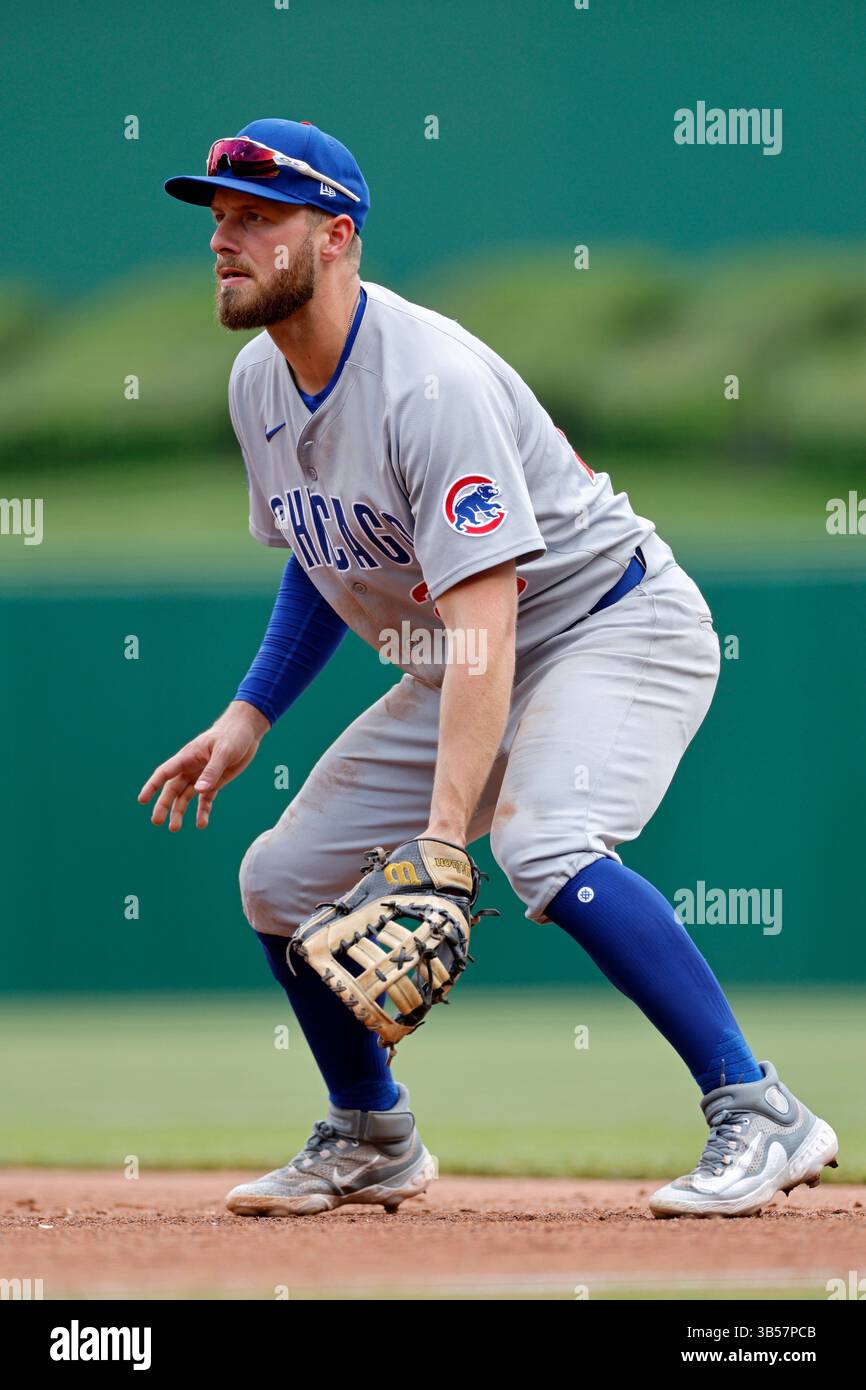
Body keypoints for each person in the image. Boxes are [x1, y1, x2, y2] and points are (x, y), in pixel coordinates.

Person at [140, 118, 838, 1219]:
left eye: (257, 218)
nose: (225, 240)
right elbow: (326, 555)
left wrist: (438, 836)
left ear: (335, 236)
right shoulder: (257, 383)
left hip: (612, 625)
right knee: (277, 881)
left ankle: (757, 1109)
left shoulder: (429, 385)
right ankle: (371, 1132)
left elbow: (486, 619)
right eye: (219, 219)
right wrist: (250, 712)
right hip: (466, 657)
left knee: (538, 840)